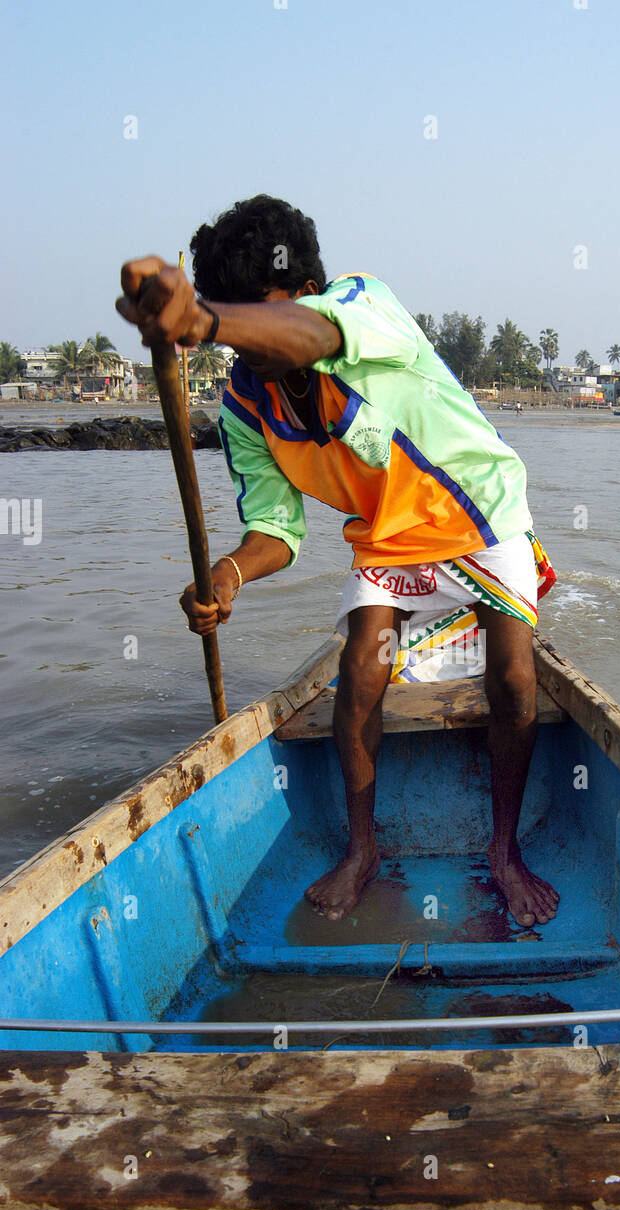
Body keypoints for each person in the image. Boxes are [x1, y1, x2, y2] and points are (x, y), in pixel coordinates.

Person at [117, 194, 559, 928]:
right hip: (387, 536)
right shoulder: (242, 407)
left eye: (250, 319)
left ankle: (505, 851)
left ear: (300, 292)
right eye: (229, 328)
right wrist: (226, 576)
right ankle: (363, 851)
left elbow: (310, 334)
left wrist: (200, 320)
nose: (245, 349)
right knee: (359, 677)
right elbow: (274, 530)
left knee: (513, 679)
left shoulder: (362, 305)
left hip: (478, 512)